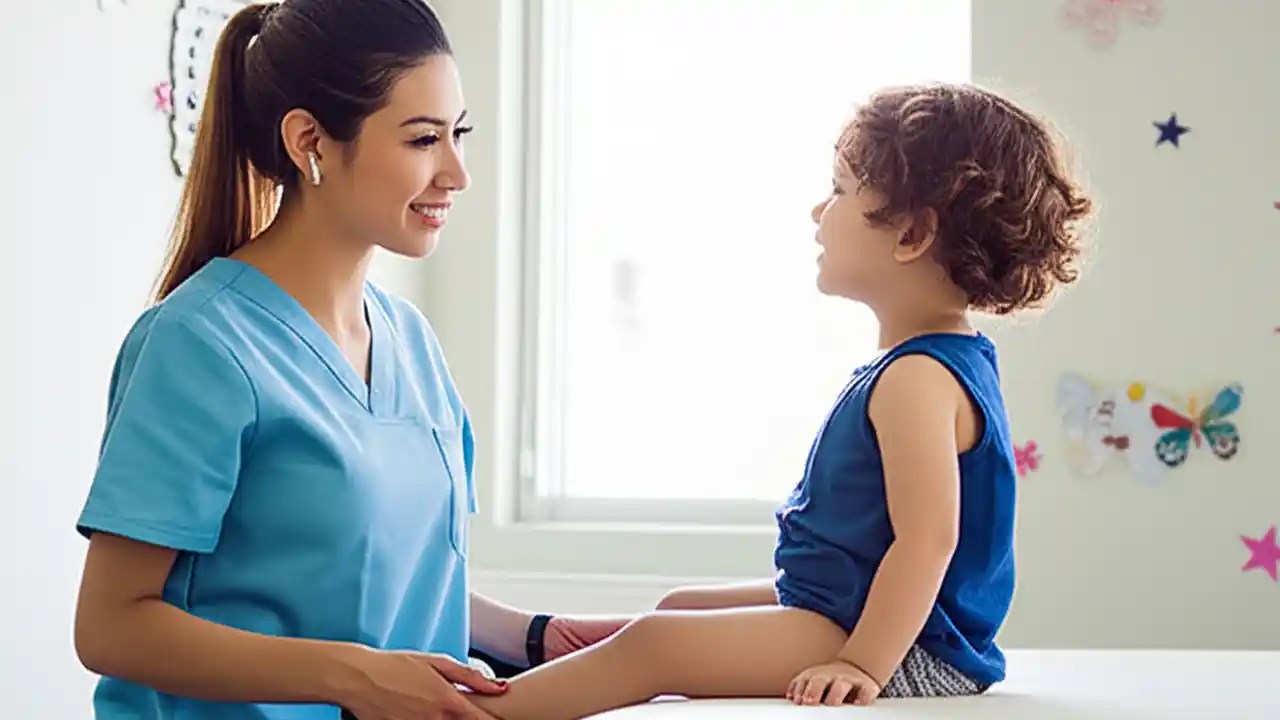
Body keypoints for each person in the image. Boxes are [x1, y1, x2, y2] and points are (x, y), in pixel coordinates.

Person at [466, 82, 1096, 720]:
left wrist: (861, 665)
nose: (819, 211)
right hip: (848, 608)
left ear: (911, 233)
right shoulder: (934, 362)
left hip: (905, 646)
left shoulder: (918, 378)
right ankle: (546, 652)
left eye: (842, 191)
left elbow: (929, 539)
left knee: (658, 646)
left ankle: (482, 711)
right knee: (677, 609)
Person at [70, 2, 618, 718]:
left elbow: (392, 581)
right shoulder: (198, 345)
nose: (457, 172)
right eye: (423, 139)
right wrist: (351, 677)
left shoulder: (411, 343)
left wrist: (539, 635)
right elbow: (112, 626)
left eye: (460, 135)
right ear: (311, 143)